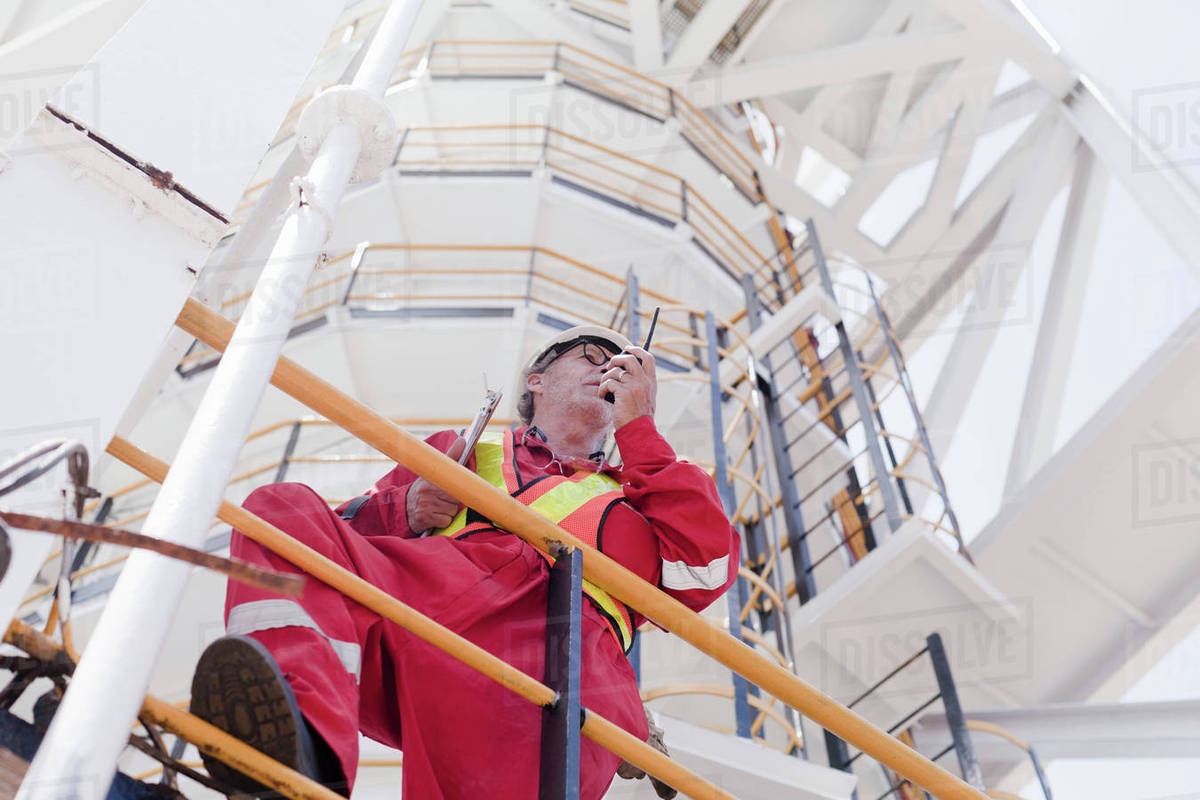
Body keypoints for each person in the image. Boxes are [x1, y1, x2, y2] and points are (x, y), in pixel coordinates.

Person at [190, 324, 740, 799]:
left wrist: (640, 430)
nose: (611, 370)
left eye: (625, 367)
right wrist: (405, 506)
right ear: (537, 379)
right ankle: (297, 745)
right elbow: (338, 537)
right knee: (278, 514)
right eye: (593, 356)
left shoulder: (644, 497)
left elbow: (706, 570)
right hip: (423, 596)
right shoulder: (464, 453)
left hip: (558, 654)